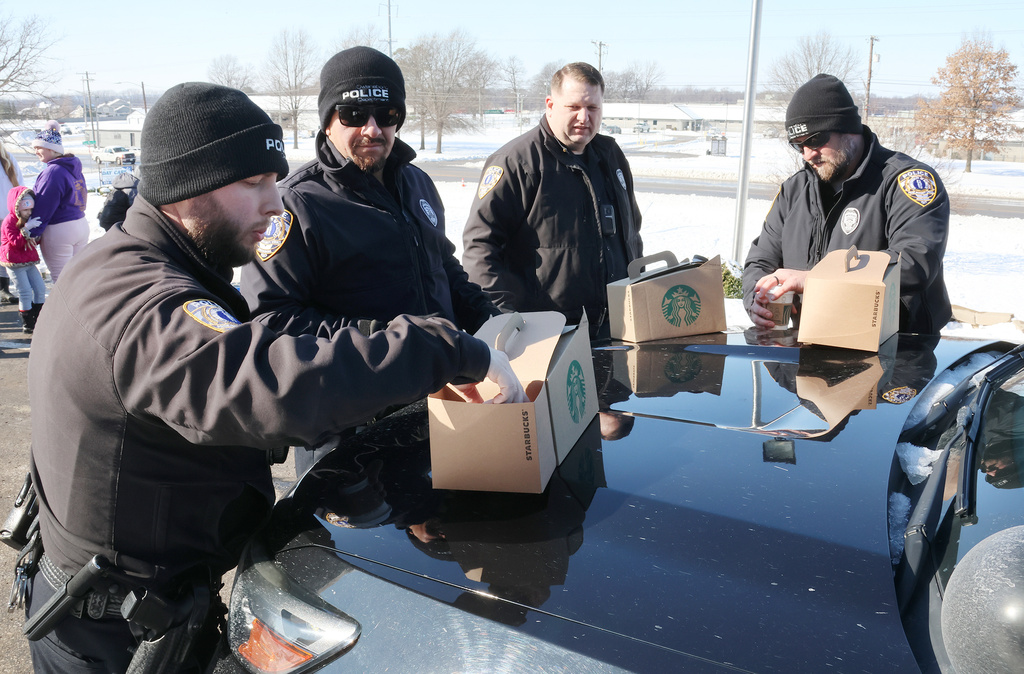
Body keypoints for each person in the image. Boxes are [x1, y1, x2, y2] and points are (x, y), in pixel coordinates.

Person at [25, 82, 525, 673]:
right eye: (252, 184)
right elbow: (271, 385)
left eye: (274, 180)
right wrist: (439, 348)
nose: (274, 203)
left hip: (122, 605)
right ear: (187, 188)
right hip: (113, 637)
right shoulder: (142, 304)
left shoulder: (134, 259)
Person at [242, 46, 500, 474]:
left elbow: (443, 267)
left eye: (387, 114)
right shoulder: (296, 207)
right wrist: (391, 342)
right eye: (354, 114)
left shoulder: (415, 182)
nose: (372, 128)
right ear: (327, 121)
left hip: (441, 402)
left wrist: (492, 320)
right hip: (351, 427)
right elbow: (271, 319)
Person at [742, 74, 951, 334]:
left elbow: (914, 262)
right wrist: (756, 298)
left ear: (848, 129)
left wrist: (815, 281)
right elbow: (760, 260)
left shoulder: (907, 181)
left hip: (895, 353)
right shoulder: (794, 190)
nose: (808, 154)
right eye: (798, 146)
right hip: (806, 346)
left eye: (815, 140)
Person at [461, 62, 643, 339]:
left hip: (615, 329)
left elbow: (631, 235)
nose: (584, 117)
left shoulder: (610, 156)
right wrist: (505, 322)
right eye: (574, 107)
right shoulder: (516, 163)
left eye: (593, 108)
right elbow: (480, 249)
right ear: (550, 104)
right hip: (546, 335)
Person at [30, 121, 90, 282]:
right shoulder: (73, 167)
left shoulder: (52, 172)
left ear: (51, 148)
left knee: (62, 281)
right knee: (78, 277)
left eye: (38, 147)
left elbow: (44, 206)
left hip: (60, 229)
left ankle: (66, 308)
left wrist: (32, 233)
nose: (35, 151)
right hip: (80, 224)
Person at [1, 187, 45, 332]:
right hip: (15, 263)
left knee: (40, 288)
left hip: (29, 261)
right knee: (25, 292)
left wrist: (36, 235)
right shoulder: (9, 221)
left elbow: (33, 241)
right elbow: (16, 242)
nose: (29, 213)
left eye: (31, 209)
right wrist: (26, 229)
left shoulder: (28, 219)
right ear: (16, 207)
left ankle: (40, 318)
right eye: (25, 210)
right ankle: (28, 323)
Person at [0, 141, 25, 303]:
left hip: (7, 217)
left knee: (5, 254)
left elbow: (19, 185)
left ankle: (4, 289)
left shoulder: (7, 159)